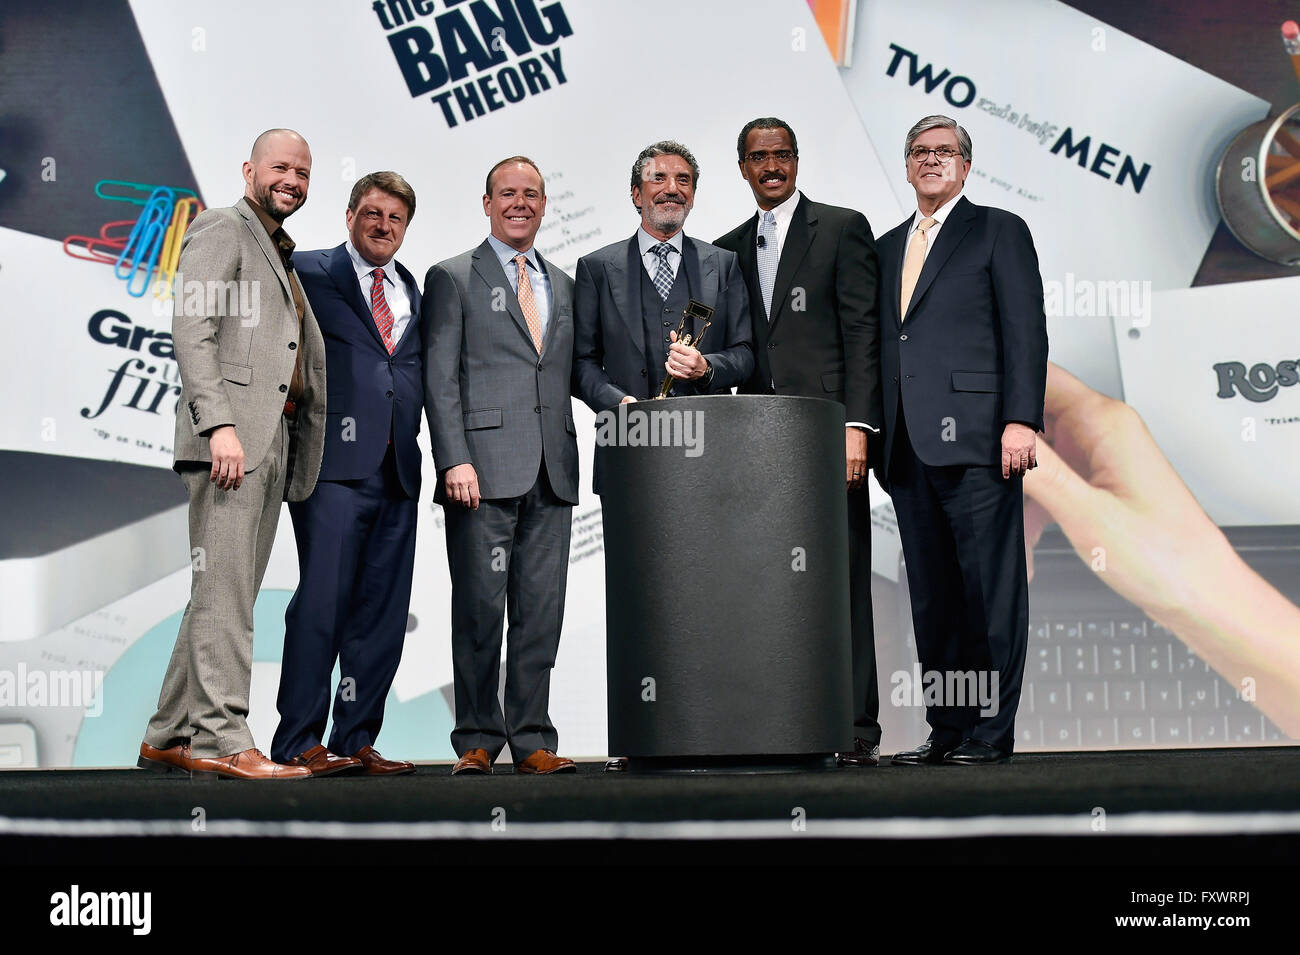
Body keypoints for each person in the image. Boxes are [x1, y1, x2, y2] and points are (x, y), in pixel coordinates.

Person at [139, 128, 325, 780]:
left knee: (221, 594)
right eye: (281, 167)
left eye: (303, 172)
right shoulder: (222, 227)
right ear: (249, 168)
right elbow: (192, 327)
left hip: (268, 443)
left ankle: (167, 734)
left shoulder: (278, 248)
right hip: (230, 444)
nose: (293, 181)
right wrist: (218, 425)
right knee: (226, 598)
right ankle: (222, 740)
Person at [876, 115, 1047, 765]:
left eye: (944, 151)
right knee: (935, 599)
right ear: (908, 162)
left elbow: (1025, 329)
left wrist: (1021, 418)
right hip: (909, 449)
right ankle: (947, 727)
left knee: (989, 593)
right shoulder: (888, 246)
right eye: (920, 151)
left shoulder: (999, 229)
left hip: (981, 441)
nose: (931, 159)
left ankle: (990, 730)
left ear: (967, 166)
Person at [715, 117, 884, 767]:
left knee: (840, 578)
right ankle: (779, 720)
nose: (771, 165)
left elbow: (861, 332)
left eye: (781, 154)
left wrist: (856, 425)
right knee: (765, 581)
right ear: (743, 168)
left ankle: (856, 727)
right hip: (755, 438)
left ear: (796, 159)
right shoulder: (725, 247)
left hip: (828, 435)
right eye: (758, 157)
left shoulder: (842, 228)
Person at [423, 157, 579, 776]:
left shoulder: (565, 284)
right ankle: (478, 741)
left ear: (544, 206)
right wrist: (453, 459)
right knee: (481, 611)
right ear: (486, 203)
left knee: (542, 612)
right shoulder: (453, 277)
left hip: (553, 472)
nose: (520, 203)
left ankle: (534, 738)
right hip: (480, 474)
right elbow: (440, 379)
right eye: (508, 193)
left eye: (532, 194)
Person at [269, 172, 422, 777]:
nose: (383, 226)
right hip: (332, 467)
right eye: (373, 214)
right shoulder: (307, 270)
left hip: (398, 470)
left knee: (381, 612)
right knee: (322, 602)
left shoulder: (415, 287)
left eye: (396, 219)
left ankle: (354, 738)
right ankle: (297, 741)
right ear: (350, 215)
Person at [573, 139, 754, 497]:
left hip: (709, 448)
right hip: (626, 444)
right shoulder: (595, 269)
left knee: (709, 554)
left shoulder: (723, 263)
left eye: (683, 180)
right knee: (632, 554)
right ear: (637, 194)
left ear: (693, 195)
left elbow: (745, 353)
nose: (672, 189)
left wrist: (707, 367)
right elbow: (581, 363)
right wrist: (617, 403)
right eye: (658, 178)